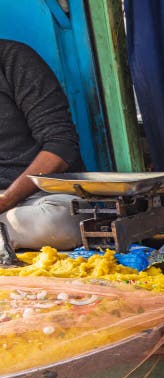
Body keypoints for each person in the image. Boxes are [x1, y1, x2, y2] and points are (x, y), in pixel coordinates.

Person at [0, 39, 88, 250]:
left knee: (56, 224)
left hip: (39, 198)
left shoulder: (13, 59)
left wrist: (6, 199)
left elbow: (61, 145)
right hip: (8, 218)